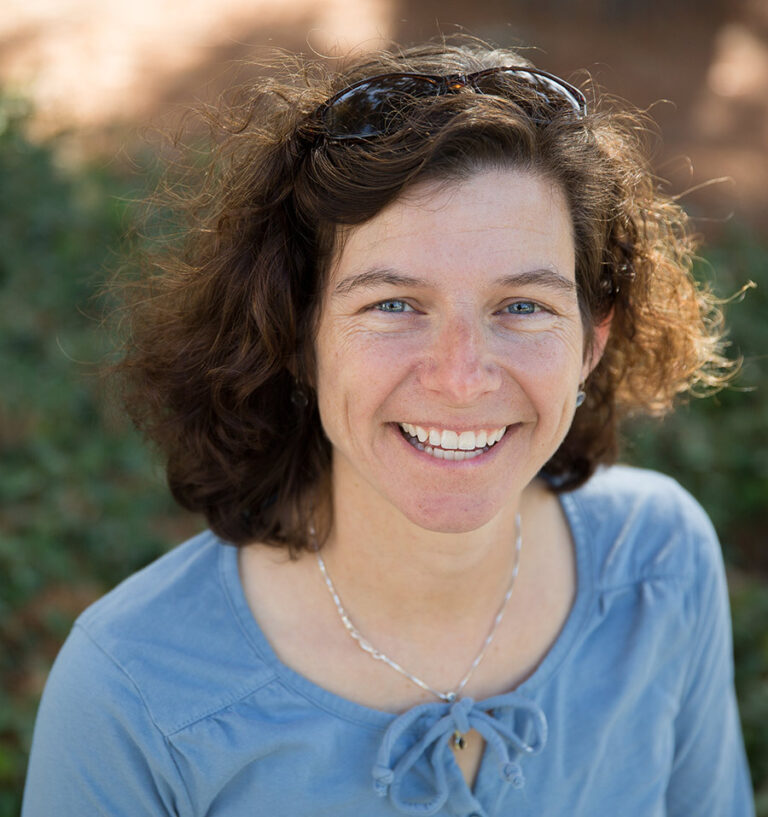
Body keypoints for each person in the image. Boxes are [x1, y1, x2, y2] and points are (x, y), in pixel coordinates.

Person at [22, 39, 754, 816]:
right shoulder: (132, 689)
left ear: (590, 343)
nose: (462, 375)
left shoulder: (659, 564)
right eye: (394, 304)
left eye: (523, 306)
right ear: (298, 337)